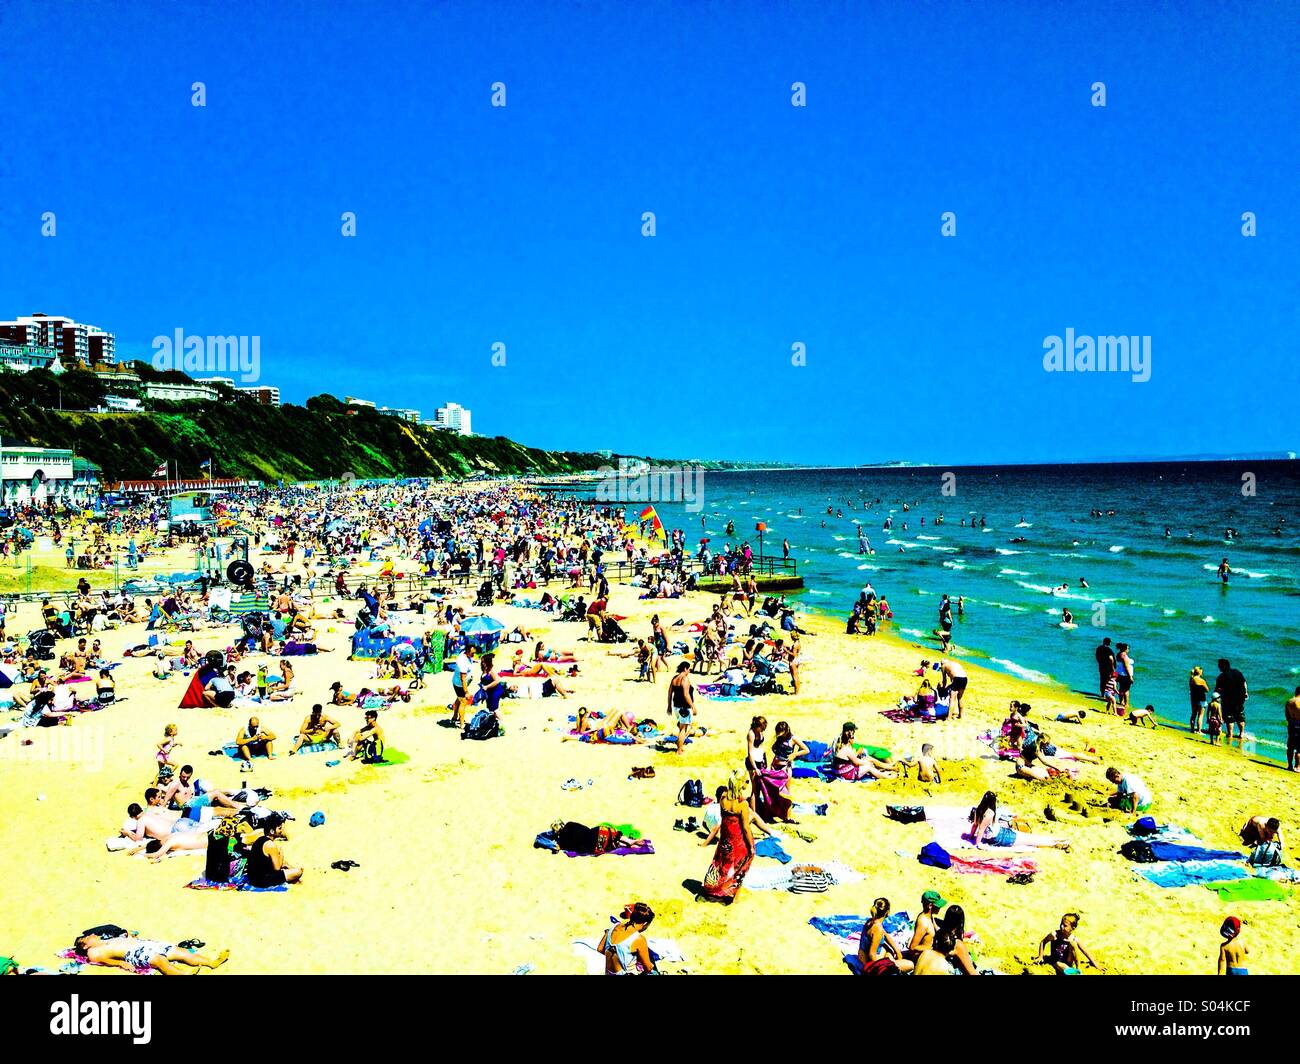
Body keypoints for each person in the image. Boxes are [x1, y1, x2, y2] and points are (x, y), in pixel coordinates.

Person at [698, 771, 756, 904]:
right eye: (746, 781)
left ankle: (713, 886)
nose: (747, 783)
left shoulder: (723, 797)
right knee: (742, 866)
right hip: (738, 839)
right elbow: (746, 828)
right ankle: (735, 897)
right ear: (740, 784)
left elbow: (724, 818)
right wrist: (751, 846)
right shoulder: (742, 804)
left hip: (726, 838)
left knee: (722, 864)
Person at [73, 933, 229, 976]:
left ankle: (211, 962)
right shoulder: (93, 952)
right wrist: (122, 963)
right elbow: (106, 960)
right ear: (85, 945)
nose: (92, 934)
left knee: (181, 952)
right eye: (87, 937)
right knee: (159, 960)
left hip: (145, 944)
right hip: (134, 953)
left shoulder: (106, 940)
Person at [598, 902, 657, 975]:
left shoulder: (614, 926)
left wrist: (615, 957)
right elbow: (648, 968)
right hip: (626, 973)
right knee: (653, 972)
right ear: (645, 923)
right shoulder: (639, 939)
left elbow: (600, 949)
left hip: (608, 972)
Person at [857, 898, 913, 975]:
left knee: (889, 950)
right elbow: (872, 954)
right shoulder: (878, 929)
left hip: (861, 955)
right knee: (910, 965)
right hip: (869, 962)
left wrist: (897, 951)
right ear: (887, 912)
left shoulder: (871, 921)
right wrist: (879, 969)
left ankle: (891, 960)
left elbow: (885, 935)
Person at [245, 812, 303, 886]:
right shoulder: (271, 845)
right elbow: (277, 869)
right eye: (279, 828)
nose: (281, 830)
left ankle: (289, 871)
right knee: (298, 871)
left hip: (253, 877)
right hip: (261, 881)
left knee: (285, 864)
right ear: (272, 831)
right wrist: (281, 853)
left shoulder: (260, 839)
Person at [831, 721, 896, 780]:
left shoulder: (838, 742)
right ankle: (887, 776)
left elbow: (847, 758)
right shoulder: (847, 749)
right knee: (868, 766)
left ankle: (889, 767)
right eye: (853, 736)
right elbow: (856, 762)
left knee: (868, 760)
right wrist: (867, 762)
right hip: (846, 773)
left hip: (839, 768)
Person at [904, 890, 946, 961]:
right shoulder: (923, 923)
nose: (940, 908)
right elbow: (913, 947)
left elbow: (937, 929)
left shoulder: (930, 916)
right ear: (930, 906)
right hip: (922, 958)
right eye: (938, 906)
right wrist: (932, 948)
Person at [1214, 658, 1248, 743]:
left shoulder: (1221, 677)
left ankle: (1230, 734)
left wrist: (1216, 698)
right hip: (1240, 698)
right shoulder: (1237, 672)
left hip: (1228, 699)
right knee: (1240, 716)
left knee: (1229, 717)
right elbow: (1244, 683)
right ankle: (1241, 734)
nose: (1218, 667)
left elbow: (1218, 689)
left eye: (1219, 666)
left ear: (1223, 666)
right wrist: (1246, 692)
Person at [668, 660, 696, 754]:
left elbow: (669, 693)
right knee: (684, 729)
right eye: (689, 669)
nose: (689, 672)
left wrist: (669, 706)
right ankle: (679, 750)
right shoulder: (685, 679)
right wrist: (693, 707)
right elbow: (686, 694)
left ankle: (680, 744)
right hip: (684, 707)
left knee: (682, 727)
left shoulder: (674, 678)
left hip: (676, 706)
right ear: (685, 669)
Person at [1188, 666, 1210, 733]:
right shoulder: (1202, 681)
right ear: (1200, 672)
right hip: (1201, 699)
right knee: (1200, 715)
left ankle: (1192, 729)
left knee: (1193, 714)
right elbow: (1207, 690)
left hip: (1193, 698)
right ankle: (1199, 730)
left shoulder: (1191, 679)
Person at [1287, 687, 1300, 772]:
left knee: (1290, 746)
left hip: (1292, 724)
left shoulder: (1289, 701)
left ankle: (1290, 765)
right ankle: (1298, 766)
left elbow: (1287, 715)